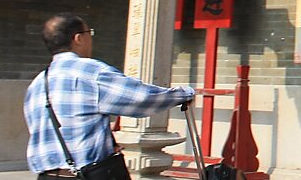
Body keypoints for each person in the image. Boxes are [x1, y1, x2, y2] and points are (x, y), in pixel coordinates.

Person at [23, 13, 195, 178]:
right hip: (87, 174)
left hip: (47, 175)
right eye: (89, 33)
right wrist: (182, 94)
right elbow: (141, 98)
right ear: (78, 39)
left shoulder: (38, 83)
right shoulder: (89, 72)